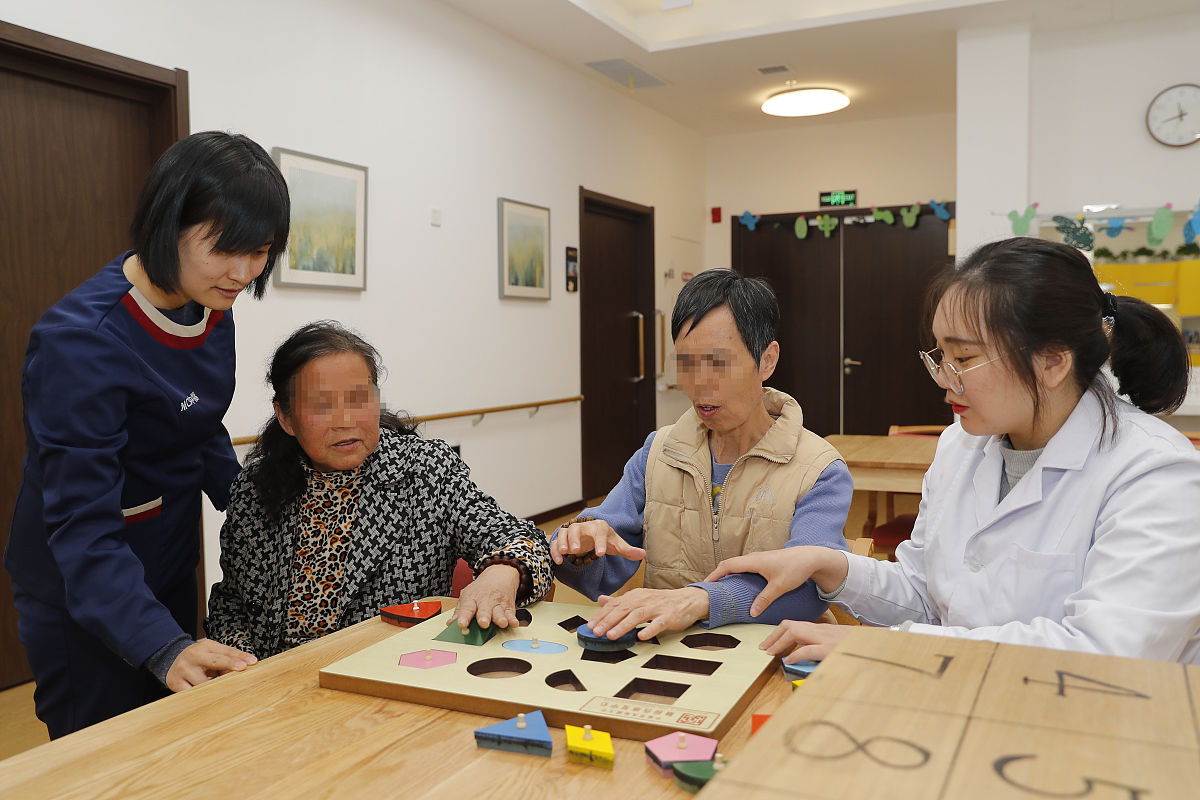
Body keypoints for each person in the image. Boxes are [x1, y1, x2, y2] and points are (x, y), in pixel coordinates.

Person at [708, 237, 1200, 664]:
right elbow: (928, 596)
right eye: (940, 355)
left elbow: (1104, 656)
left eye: (963, 358)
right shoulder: (963, 444)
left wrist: (891, 650)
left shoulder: (1154, 473)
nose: (944, 378)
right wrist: (829, 564)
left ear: (1052, 362)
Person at [6, 131, 291, 737]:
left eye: (260, 251)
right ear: (169, 223)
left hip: (162, 559)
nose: (243, 273)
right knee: (104, 752)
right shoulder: (81, 342)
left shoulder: (210, 302)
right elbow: (82, 526)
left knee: (171, 739)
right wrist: (161, 646)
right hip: (84, 580)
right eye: (224, 249)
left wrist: (256, 505)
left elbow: (197, 421)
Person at [205, 322, 554, 658]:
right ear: (286, 417)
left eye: (359, 399)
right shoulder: (254, 488)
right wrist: (244, 668)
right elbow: (231, 604)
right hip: (277, 685)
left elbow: (521, 540)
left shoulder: (423, 470)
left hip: (392, 675)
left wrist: (502, 571)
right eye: (322, 405)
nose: (345, 420)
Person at [551, 269, 852, 642]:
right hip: (667, 652)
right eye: (686, 363)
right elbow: (607, 566)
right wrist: (578, 546)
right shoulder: (657, 453)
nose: (699, 383)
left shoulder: (819, 469)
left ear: (767, 360)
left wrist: (698, 600)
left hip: (775, 655)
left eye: (718, 362)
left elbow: (809, 589)